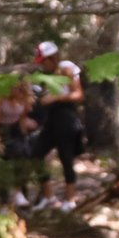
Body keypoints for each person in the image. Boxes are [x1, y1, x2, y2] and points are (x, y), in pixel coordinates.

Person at [31, 39, 86, 210]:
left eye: (44, 61)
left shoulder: (66, 68)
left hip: (66, 116)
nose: (43, 65)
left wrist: (57, 97)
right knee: (36, 153)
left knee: (66, 157)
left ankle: (70, 200)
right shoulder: (41, 77)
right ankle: (49, 196)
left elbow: (79, 94)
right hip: (50, 118)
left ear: (52, 58)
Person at [0, 73, 46, 208]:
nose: (17, 91)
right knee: (3, 165)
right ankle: (3, 201)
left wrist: (24, 136)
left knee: (23, 156)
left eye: (20, 88)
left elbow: (22, 118)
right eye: (14, 87)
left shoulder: (24, 99)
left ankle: (19, 192)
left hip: (15, 130)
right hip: (2, 129)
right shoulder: (0, 97)